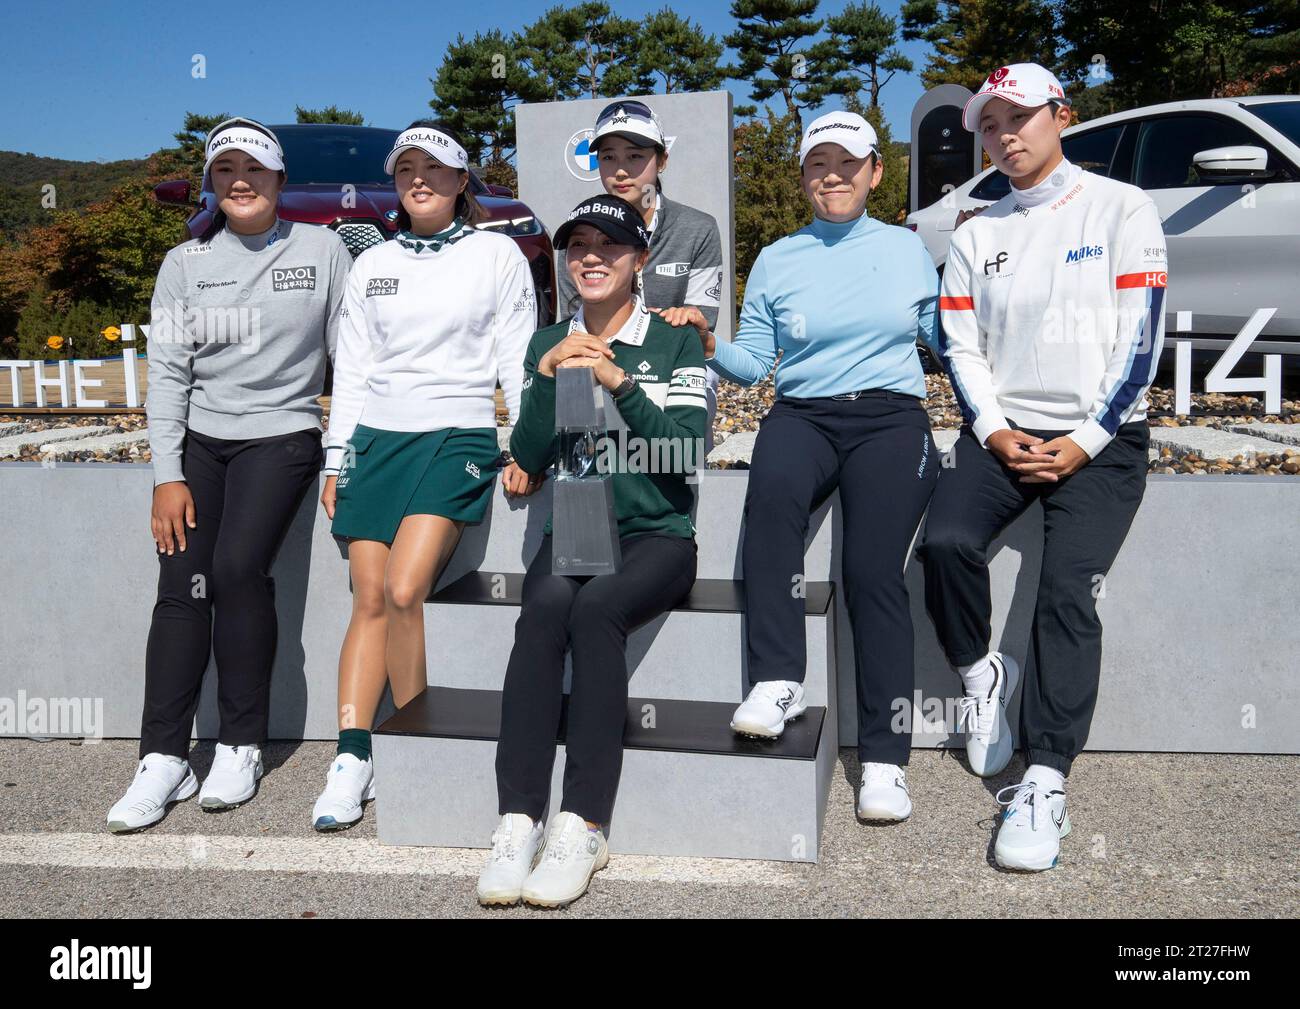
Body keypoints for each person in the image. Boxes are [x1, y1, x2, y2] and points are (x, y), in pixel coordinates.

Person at [917, 63, 1167, 871]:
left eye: (1019, 118)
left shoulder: (1123, 208)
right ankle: (980, 673)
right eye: (989, 125)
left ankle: (1045, 780)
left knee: (1067, 593)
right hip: (1004, 436)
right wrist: (991, 430)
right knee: (945, 545)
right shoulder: (976, 229)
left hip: (1103, 438)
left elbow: (1142, 340)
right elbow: (960, 348)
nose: (1003, 136)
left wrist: (1085, 438)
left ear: (1063, 115)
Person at [674, 111, 942, 824]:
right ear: (802, 177)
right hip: (804, 414)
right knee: (770, 511)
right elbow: (756, 366)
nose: (833, 175)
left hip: (890, 418)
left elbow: (950, 339)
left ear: (876, 172)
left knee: (871, 570)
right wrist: (707, 341)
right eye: (818, 164)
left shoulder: (909, 250)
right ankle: (777, 679)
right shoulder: (778, 258)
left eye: (848, 163)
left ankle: (884, 760)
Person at [108, 117, 351, 832]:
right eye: (224, 171)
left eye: (254, 169)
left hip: (283, 435)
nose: (238, 181)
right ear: (213, 184)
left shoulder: (323, 248)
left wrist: (344, 451)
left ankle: (240, 743)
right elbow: (169, 377)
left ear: (279, 180)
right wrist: (166, 472)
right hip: (202, 443)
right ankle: (163, 757)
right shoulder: (186, 262)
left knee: (239, 567)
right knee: (182, 580)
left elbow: (352, 356)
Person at [476, 194, 706, 908]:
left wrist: (620, 382)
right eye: (578, 247)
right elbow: (529, 450)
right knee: (542, 608)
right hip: (575, 524)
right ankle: (518, 818)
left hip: (658, 533)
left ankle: (583, 824)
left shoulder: (672, 339)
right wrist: (549, 378)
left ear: (639, 260)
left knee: (596, 610)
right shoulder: (547, 338)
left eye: (609, 246)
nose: (591, 258)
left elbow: (684, 454)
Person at [311, 120, 535, 831]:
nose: (419, 178)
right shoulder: (371, 263)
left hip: (457, 436)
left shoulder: (496, 254)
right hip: (377, 438)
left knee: (406, 587)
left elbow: (516, 357)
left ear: (462, 181)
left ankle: (411, 744)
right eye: (406, 168)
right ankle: (353, 754)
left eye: (434, 169)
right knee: (370, 593)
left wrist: (529, 441)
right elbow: (353, 369)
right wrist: (336, 456)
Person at [556, 99, 726, 450]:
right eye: (608, 157)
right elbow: (574, 322)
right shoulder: (577, 235)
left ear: (661, 160)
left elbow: (700, 330)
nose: (620, 170)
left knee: (679, 447)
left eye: (635, 156)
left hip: (676, 366)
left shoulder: (698, 228)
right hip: (600, 364)